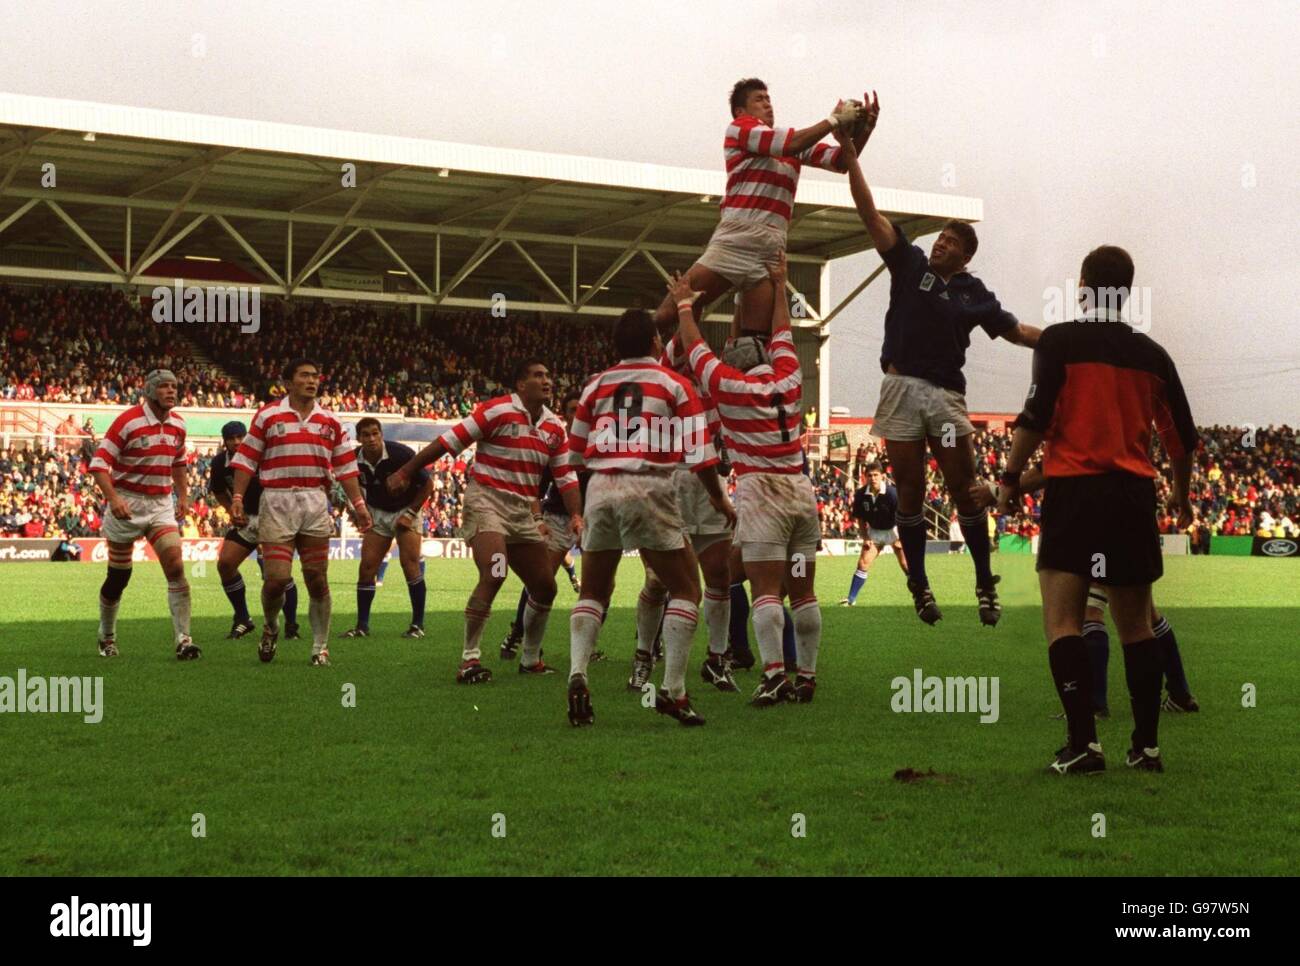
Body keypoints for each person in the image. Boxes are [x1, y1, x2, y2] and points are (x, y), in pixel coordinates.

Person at [833, 110, 1040, 627]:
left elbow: (1016, 332)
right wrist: (853, 158)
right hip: (900, 386)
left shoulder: (974, 294)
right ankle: (919, 586)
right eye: (939, 239)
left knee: (966, 490)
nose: (939, 244)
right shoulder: (910, 264)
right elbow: (869, 212)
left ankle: (984, 584)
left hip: (946, 395)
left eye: (950, 243)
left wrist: (1068, 337)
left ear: (965, 256)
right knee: (910, 491)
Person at [997, 245, 1197, 774]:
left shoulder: (1060, 340)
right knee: (1137, 626)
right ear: (1127, 290)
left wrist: (1010, 477)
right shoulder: (1155, 355)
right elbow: (1181, 440)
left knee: (1063, 620)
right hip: (1132, 497)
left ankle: (1084, 744)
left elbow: (1036, 415)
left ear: (1083, 285)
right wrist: (1180, 495)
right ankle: (1147, 747)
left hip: (1076, 493)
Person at [564, 309, 734, 727]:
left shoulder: (595, 384)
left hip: (601, 488)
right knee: (687, 589)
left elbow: (574, 452)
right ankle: (674, 690)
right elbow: (700, 455)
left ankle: (578, 674)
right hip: (651, 486)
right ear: (657, 344)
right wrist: (720, 501)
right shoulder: (674, 384)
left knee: (594, 590)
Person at [674, 253, 822, 706]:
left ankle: (774, 674)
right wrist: (780, 284)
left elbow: (696, 350)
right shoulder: (790, 377)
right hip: (801, 493)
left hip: (761, 495)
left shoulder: (729, 388)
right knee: (804, 592)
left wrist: (683, 305)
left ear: (735, 364)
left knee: (766, 590)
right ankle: (808, 676)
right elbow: (781, 331)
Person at [387, 359, 581, 682]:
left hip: (521, 511)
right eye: (538, 375)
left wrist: (576, 514)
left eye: (549, 375)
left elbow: (566, 477)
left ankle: (531, 659)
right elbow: (448, 442)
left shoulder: (554, 428)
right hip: (486, 500)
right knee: (496, 569)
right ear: (521, 384)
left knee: (546, 586)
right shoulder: (497, 410)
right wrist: (406, 471)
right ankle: (469, 659)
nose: (547, 380)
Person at [650, 79, 871, 338]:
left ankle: (699, 367)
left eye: (769, 99)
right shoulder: (740, 129)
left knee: (753, 341)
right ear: (740, 111)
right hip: (738, 238)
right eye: (759, 99)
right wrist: (833, 120)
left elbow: (842, 160)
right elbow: (790, 144)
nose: (768, 104)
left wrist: (865, 129)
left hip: (771, 247)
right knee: (669, 312)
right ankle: (632, 357)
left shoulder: (791, 140)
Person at [231, 358, 370, 667]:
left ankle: (320, 647)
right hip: (277, 500)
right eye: (305, 375)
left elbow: (346, 468)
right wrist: (237, 497)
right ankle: (270, 625)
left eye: (315, 375)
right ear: (288, 381)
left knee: (317, 578)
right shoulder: (268, 415)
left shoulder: (330, 421)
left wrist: (359, 506)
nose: (312, 380)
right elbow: (247, 459)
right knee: (277, 580)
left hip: (315, 501)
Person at [89, 368, 200, 660]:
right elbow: (99, 465)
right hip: (127, 503)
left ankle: (184, 640)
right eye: (164, 386)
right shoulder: (128, 421)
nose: (171, 391)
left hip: (160, 503)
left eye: (174, 386)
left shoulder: (178, 424)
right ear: (149, 390)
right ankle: (107, 635)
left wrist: (183, 495)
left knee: (175, 566)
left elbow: (179, 462)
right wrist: (113, 499)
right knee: (119, 578)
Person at [499, 391, 587, 661]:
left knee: (600, 584)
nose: (578, 415)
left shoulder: (602, 445)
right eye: (572, 410)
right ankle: (518, 631)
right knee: (541, 581)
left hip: (595, 518)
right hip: (559, 518)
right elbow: (536, 488)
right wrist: (538, 519)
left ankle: (587, 646)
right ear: (565, 415)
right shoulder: (557, 444)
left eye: (581, 409)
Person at [209, 420, 301, 640]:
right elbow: (219, 491)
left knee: (278, 575)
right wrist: (231, 510)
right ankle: (242, 618)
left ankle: (291, 625)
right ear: (225, 442)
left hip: (274, 518)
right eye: (231, 439)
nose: (236, 442)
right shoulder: (220, 462)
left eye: (240, 437)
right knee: (226, 564)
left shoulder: (264, 456)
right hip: (247, 520)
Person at [341, 417, 431, 639]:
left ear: (381, 435)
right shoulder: (353, 460)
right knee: (367, 567)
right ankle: (362, 626)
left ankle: (417, 625)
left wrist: (410, 514)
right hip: (377, 513)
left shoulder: (401, 454)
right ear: (358, 438)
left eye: (375, 434)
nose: (371, 439)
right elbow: (348, 486)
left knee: (409, 564)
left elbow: (428, 484)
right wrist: (357, 510)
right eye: (366, 435)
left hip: (406, 509)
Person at [840, 460, 908, 605]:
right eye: (870, 475)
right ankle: (851, 599)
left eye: (876, 475)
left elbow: (904, 516)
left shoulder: (892, 493)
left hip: (894, 530)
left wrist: (901, 537)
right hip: (875, 531)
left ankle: (921, 597)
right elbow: (860, 519)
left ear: (882, 476)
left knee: (906, 566)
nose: (873, 478)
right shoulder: (860, 494)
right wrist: (865, 537)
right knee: (863, 563)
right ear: (865, 477)